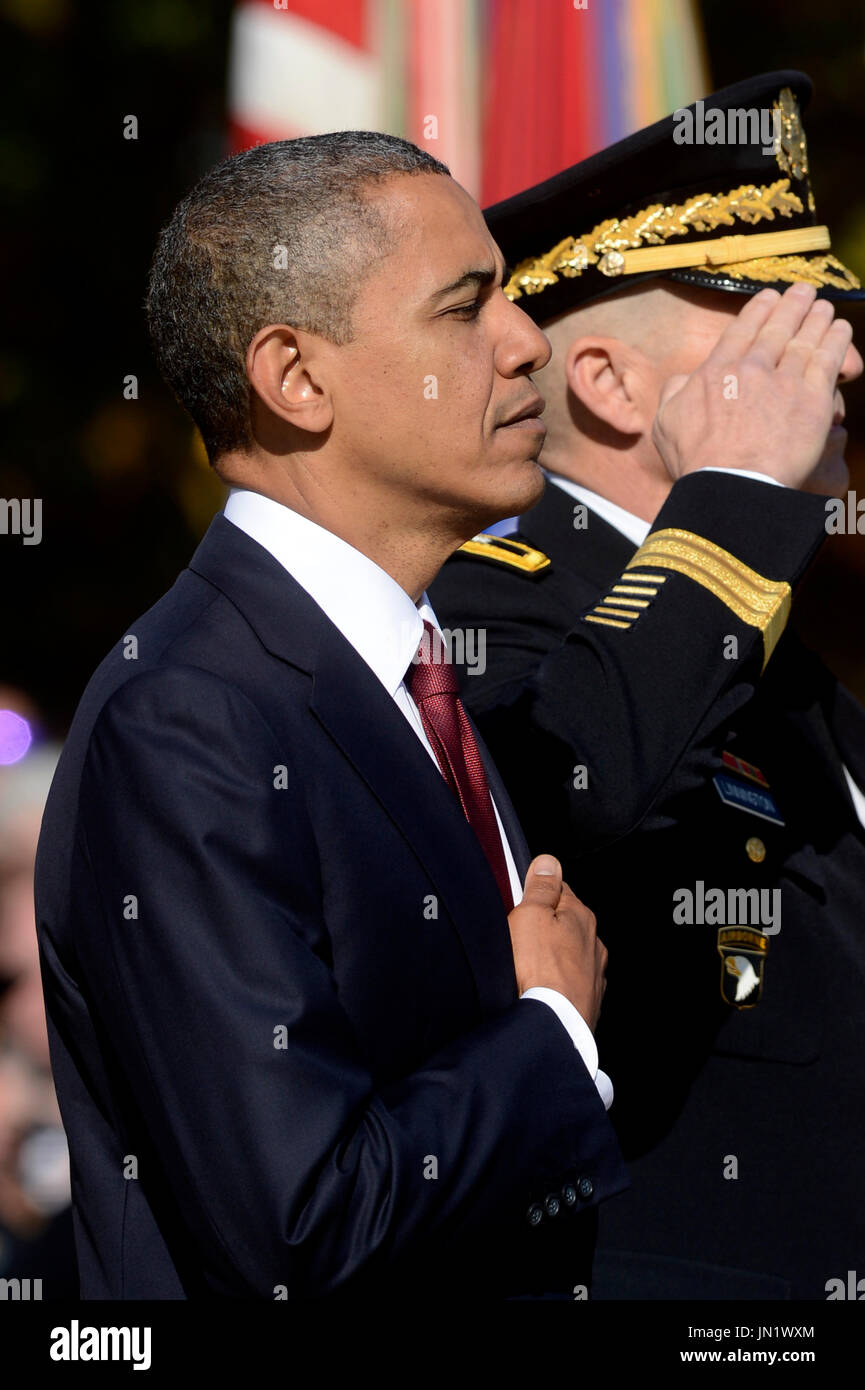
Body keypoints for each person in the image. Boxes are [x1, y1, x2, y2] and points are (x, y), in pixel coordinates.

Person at [33, 125, 845, 1303]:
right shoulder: (191, 714)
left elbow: (598, 750)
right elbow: (300, 1228)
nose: (524, 344)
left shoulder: (411, 679)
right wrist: (552, 1032)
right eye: (465, 308)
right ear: (296, 377)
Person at [429, 71, 865, 1299]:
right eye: (768, 325)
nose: (833, 361)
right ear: (610, 386)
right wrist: (732, 503)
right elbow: (564, 792)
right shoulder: (480, 601)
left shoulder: (770, 646)